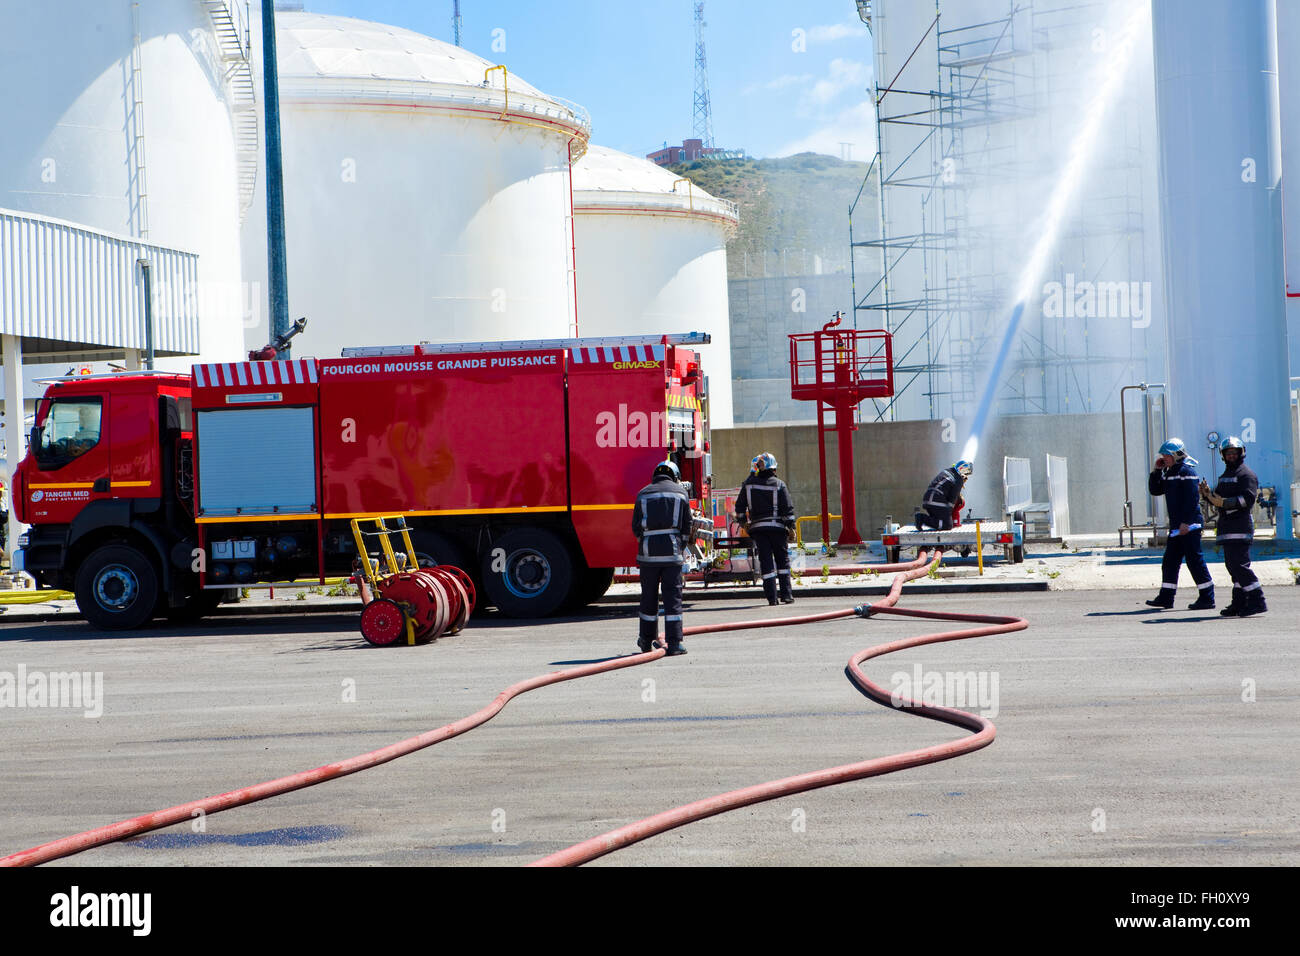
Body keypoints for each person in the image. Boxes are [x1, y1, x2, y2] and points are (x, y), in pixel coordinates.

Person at [632, 459, 693, 655]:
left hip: (648, 557)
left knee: (648, 598)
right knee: (672, 599)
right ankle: (674, 644)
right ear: (675, 476)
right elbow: (687, 527)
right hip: (672, 555)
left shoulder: (642, 493)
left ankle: (645, 640)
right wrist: (679, 545)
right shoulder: (681, 493)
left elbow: (635, 528)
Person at [1146, 438, 1215, 610]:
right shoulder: (1170, 472)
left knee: (1194, 561)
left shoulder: (1186, 471)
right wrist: (1157, 471)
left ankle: (1207, 597)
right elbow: (1155, 490)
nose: (1164, 458)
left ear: (1176, 455)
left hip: (1188, 526)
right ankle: (1166, 597)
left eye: (1167, 455)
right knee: (1169, 562)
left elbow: (1192, 500)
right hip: (1178, 527)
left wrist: (1185, 522)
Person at [1201, 436, 1266, 616]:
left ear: (1241, 453)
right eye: (1228, 453)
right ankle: (1239, 602)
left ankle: (1257, 600)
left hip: (1240, 527)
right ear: (1223, 455)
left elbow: (1247, 499)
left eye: (1234, 453)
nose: (1231, 456)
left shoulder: (1246, 475)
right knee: (1232, 567)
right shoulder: (1225, 477)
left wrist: (1224, 502)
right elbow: (1217, 500)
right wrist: (1207, 495)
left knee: (1240, 566)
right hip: (1227, 528)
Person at [735, 452, 796, 605]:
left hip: (759, 530)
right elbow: (787, 508)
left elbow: (740, 507)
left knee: (766, 562)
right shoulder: (779, 484)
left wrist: (744, 522)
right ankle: (787, 595)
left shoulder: (748, 485)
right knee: (782, 562)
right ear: (773, 468)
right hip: (778, 529)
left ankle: (772, 598)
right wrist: (791, 527)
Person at [916, 460, 972, 531]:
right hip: (936, 501)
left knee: (940, 522)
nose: (965, 476)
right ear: (962, 470)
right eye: (966, 473)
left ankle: (922, 519)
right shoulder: (958, 479)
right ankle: (922, 518)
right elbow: (953, 497)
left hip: (927, 500)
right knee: (947, 525)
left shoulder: (946, 471)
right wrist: (949, 513)